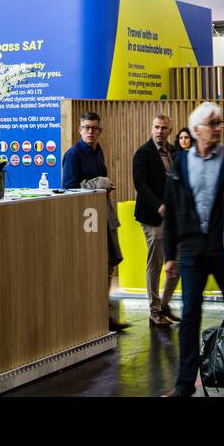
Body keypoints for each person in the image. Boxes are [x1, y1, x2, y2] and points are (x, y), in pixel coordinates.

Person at [161, 102, 224, 397]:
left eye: (221, 123)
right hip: (192, 251)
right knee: (189, 318)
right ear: (197, 130)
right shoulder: (180, 163)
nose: (219, 129)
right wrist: (169, 255)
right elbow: (171, 211)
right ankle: (184, 386)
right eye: (213, 124)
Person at [62, 111, 129, 332]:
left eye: (95, 128)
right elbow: (69, 188)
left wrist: (104, 186)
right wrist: (99, 183)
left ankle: (104, 316)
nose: (91, 132)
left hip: (104, 214)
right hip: (86, 220)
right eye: (87, 128)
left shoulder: (97, 151)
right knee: (93, 267)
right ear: (80, 130)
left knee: (108, 264)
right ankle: (92, 317)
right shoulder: (73, 154)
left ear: (100, 131)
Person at [132, 114, 179, 327]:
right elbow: (140, 184)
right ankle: (154, 310)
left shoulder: (175, 153)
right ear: (152, 129)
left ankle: (165, 303)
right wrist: (159, 205)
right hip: (152, 215)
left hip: (174, 216)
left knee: (177, 260)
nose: (160, 131)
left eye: (164, 128)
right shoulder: (143, 153)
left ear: (170, 131)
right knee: (156, 261)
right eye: (157, 127)